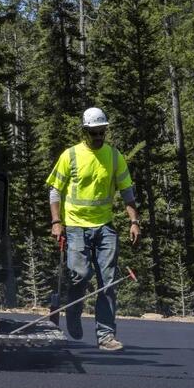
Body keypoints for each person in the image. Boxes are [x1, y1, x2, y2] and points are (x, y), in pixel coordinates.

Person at [46, 107, 141, 352]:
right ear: (85, 132)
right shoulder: (71, 155)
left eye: (102, 132)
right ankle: (74, 310)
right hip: (76, 225)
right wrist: (57, 222)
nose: (99, 137)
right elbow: (55, 190)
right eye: (94, 133)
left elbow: (126, 191)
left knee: (107, 282)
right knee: (80, 274)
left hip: (105, 226)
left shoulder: (113, 156)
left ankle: (106, 336)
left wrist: (134, 221)